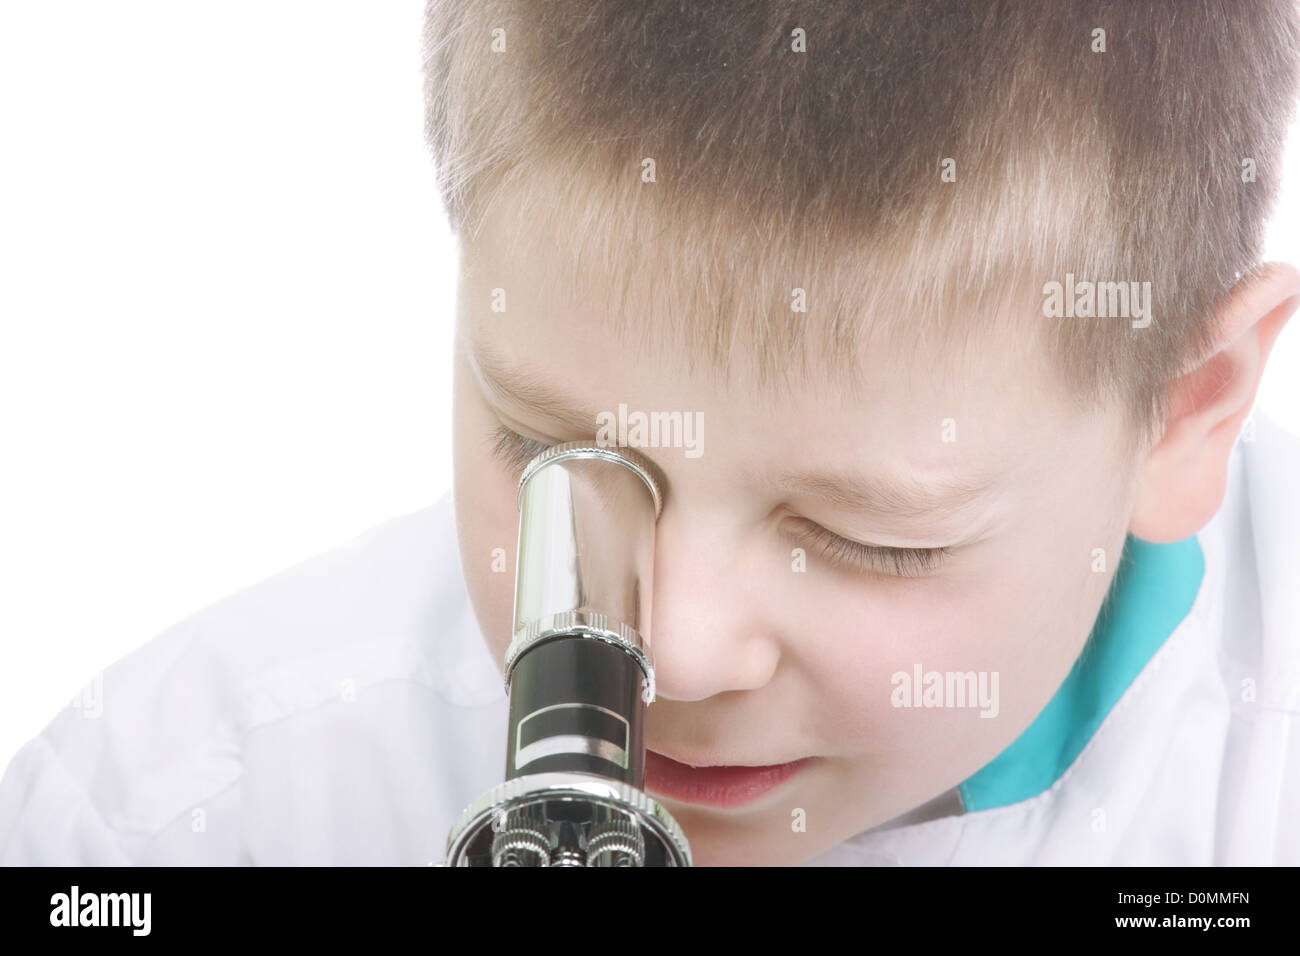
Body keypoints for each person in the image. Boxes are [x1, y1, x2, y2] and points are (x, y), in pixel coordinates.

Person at [4, 0, 1300, 866]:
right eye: (549, 454)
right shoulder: (169, 815)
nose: (665, 652)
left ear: (1190, 409)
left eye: (866, 539)